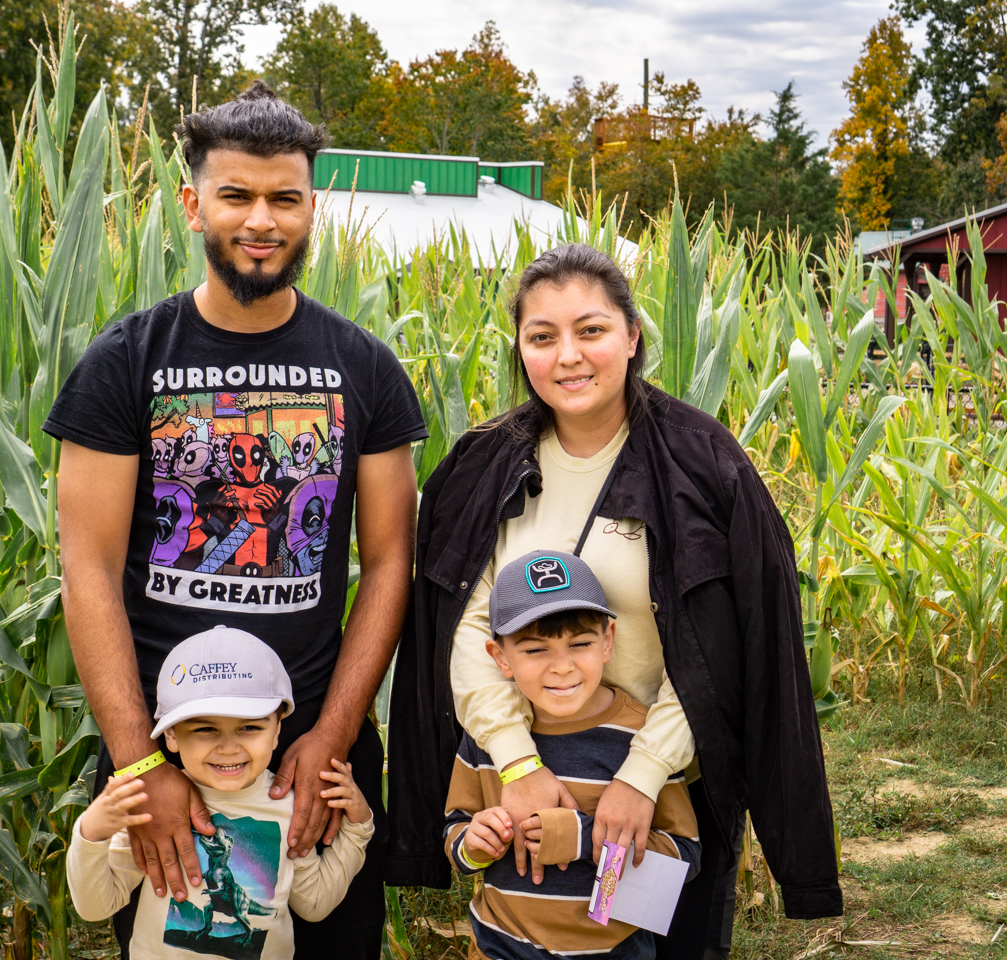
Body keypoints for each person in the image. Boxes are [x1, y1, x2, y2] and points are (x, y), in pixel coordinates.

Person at [47, 80, 428, 960]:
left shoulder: (363, 367)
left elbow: (390, 563)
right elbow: (89, 570)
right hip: (166, 749)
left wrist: (328, 738)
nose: (262, 219)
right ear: (193, 204)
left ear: (310, 209)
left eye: (284, 198)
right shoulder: (125, 362)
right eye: (237, 195)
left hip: (309, 759)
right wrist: (144, 764)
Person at [386, 243, 842, 958]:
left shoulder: (704, 465)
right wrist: (517, 765)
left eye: (591, 330)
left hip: (660, 789)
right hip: (527, 795)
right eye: (542, 337)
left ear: (632, 337)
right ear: (520, 349)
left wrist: (641, 774)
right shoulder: (481, 464)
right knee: (533, 940)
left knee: (642, 943)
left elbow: (717, 648)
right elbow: (465, 630)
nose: (568, 355)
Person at [444, 549, 700, 960]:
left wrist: (583, 839)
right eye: (535, 650)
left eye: (579, 643)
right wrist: (473, 844)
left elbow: (683, 857)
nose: (561, 667)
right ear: (499, 658)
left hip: (610, 950)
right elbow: (456, 826)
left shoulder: (640, 736)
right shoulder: (489, 738)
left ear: (608, 641)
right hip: (498, 946)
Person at [68, 627, 374, 960]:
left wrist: (358, 828)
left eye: (249, 727)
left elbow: (315, 902)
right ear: (171, 734)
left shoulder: (289, 806)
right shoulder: (151, 808)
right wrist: (92, 832)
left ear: (277, 730)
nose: (228, 747)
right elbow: (96, 906)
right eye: (205, 729)